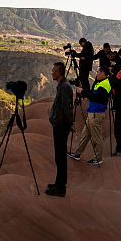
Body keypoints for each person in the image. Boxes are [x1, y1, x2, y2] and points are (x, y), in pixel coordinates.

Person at [69, 65, 111, 166]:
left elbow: (95, 97)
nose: (96, 73)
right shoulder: (99, 82)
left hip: (96, 113)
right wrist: (83, 90)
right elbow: (92, 93)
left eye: (98, 71)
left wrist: (82, 92)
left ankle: (98, 158)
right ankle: (77, 154)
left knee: (96, 136)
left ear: (103, 73)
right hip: (93, 112)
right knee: (85, 134)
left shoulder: (104, 84)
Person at [47, 62, 75, 197]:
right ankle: (58, 183)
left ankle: (61, 188)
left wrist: (71, 123)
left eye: (53, 70)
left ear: (59, 72)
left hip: (61, 126)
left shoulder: (64, 87)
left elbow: (66, 108)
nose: (52, 73)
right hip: (60, 125)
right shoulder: (62, 86)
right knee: (59, 157)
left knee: (61, 157)